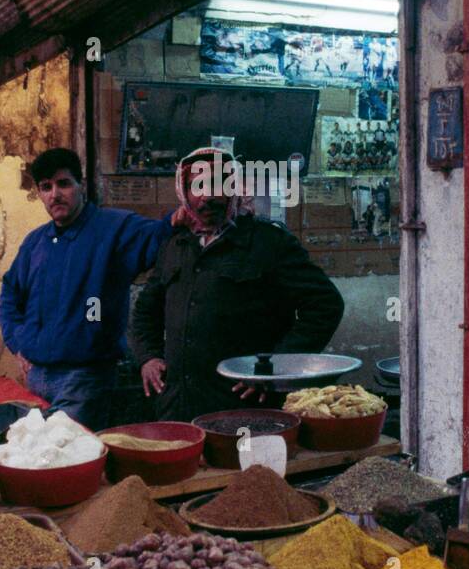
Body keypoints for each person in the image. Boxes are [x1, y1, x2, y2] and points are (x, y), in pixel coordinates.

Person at [130, 146, 345, 420]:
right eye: (198, 185)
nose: (208, 196)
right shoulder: (175, 245)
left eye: (218, 183)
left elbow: (325, 305)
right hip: (178, 407)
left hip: (245, 408)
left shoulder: (269, 243)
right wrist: (148, 357)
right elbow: (145, 312)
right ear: (184, 190)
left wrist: (277, 366)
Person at [0, 148, 175, 430]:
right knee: (33, 456)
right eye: (46, 187)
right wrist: (18, 342)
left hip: (84, 381)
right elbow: (10, 293)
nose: (55, 194)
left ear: (81, 185)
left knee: (66, 461)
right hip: (35, 378)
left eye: (64, 183)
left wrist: (191, 209)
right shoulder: (35, 243)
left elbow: (162, 233)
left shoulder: (114, 228)